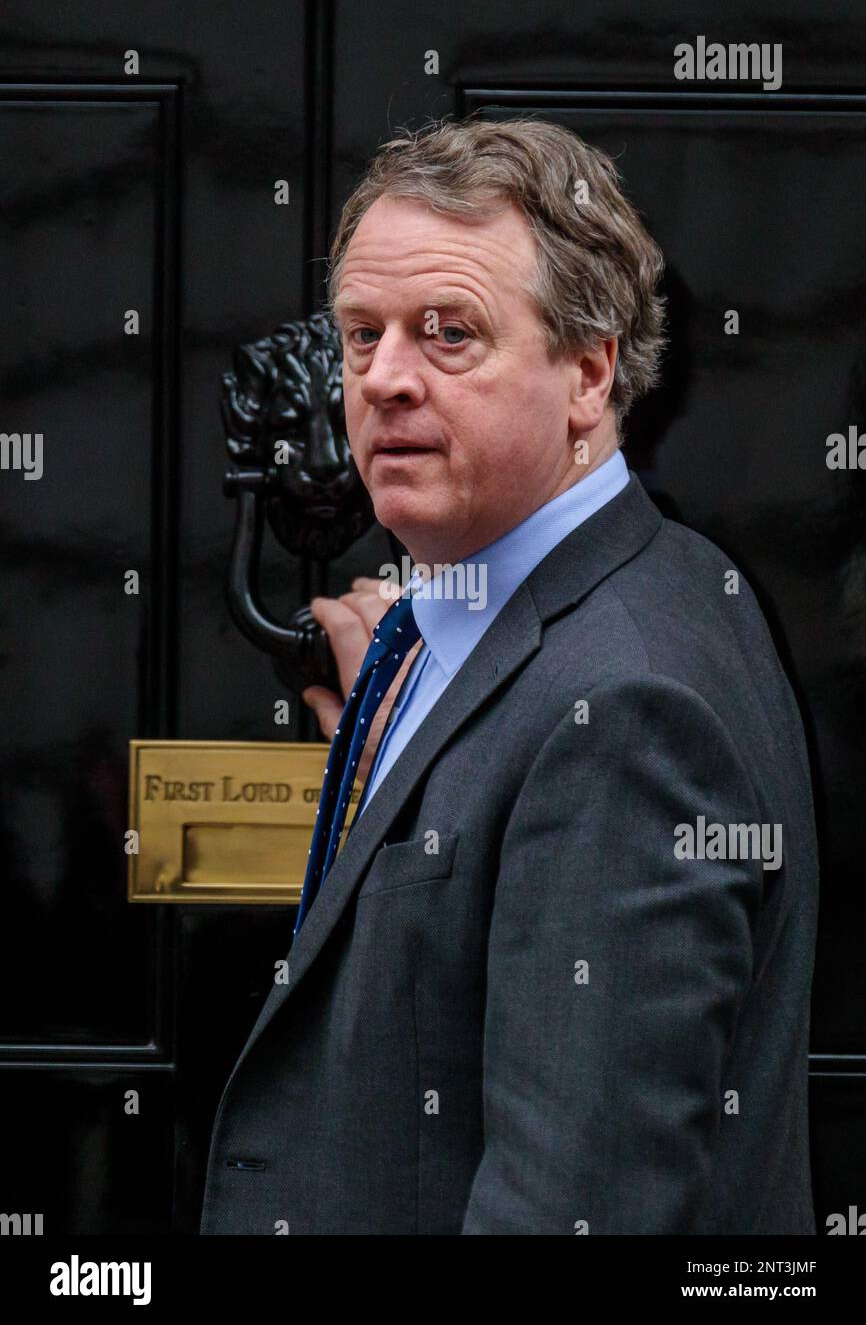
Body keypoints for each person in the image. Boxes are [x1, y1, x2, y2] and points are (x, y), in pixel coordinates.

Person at [200, 116, 818, 1235]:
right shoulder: (515, 607)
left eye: (446, 335)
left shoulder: (627, 708)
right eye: (359, 334)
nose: (381, 379)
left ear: (587, 372)